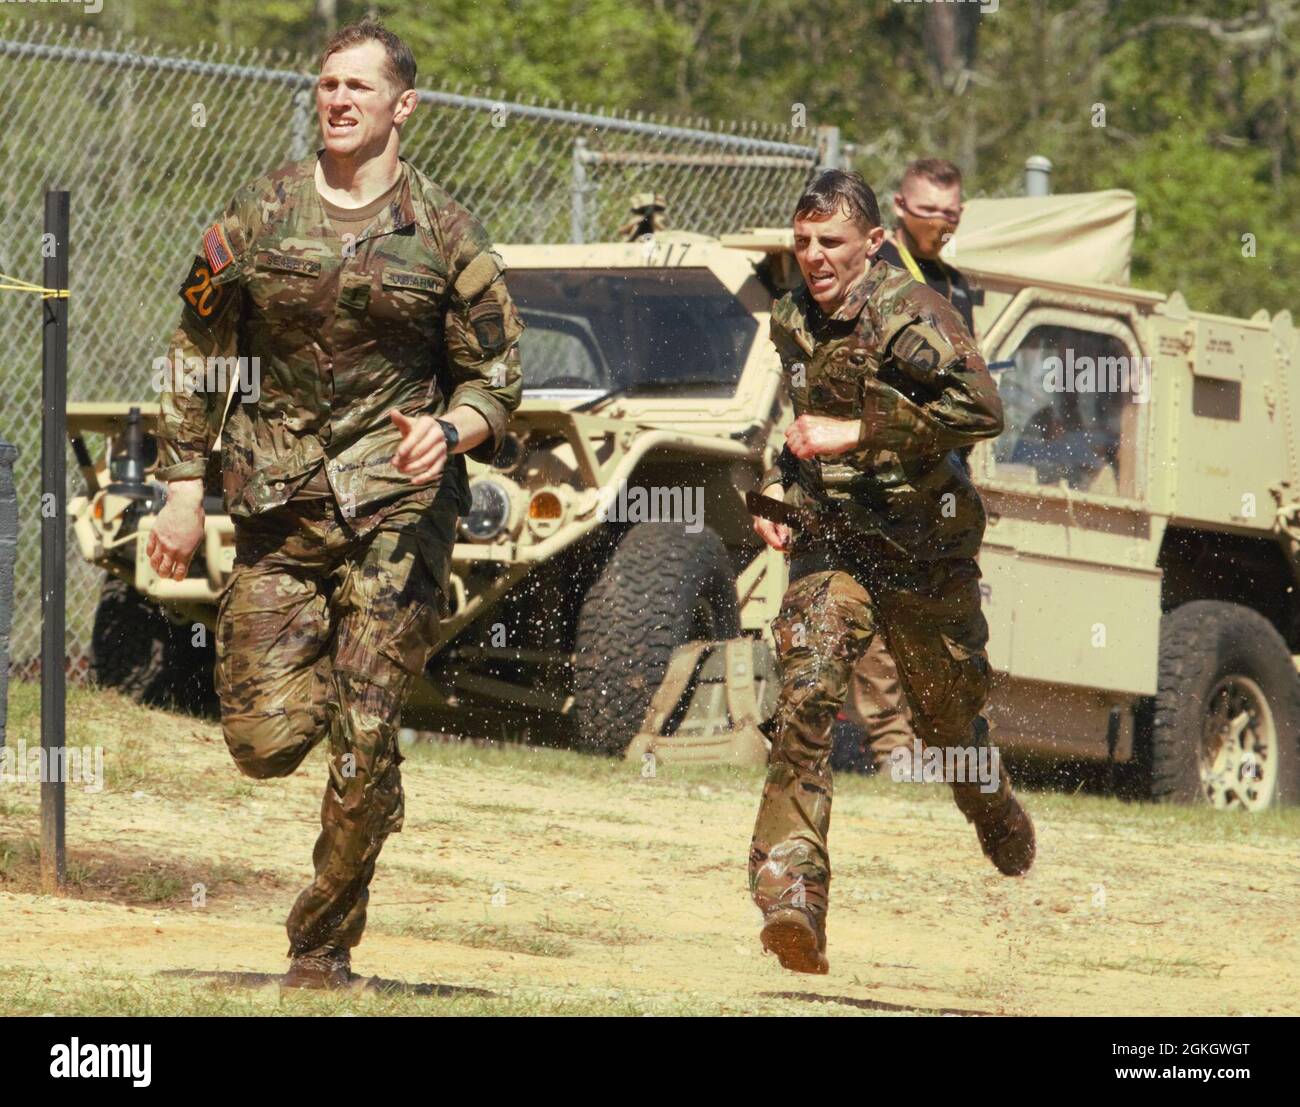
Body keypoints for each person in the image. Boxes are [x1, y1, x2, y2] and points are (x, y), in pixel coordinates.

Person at [145, 20, 523, 988]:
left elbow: (498, 376)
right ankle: (372, 776)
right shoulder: (255, 215)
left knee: (360, 735)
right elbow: (195, 348)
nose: (339, 100)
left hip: (399, 504)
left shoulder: (445, 230)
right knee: (264, 745)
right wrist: (183, 492)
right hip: (278, 502)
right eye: (326, 85)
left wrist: (455, 428)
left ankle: (321, 942)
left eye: (359, 86)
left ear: (404, 106)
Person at [749, 169, 1034, 975]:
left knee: (946, 724)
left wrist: (856, 433)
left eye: (830, 242)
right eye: (802, 242)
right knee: (806, 689)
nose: (812, 257)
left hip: (923, 549)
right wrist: (780, 489)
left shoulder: (910, 314)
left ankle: (990, 800)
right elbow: (799, 415)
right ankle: (790, 892)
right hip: (833, 540)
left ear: (873, 243)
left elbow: (983, 409)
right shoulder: (792, 314)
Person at [841, 158, 981, 773]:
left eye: (950, 214)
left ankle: (949, 747)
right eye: (928, 212)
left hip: (941, 473)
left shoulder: (957, 285)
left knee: (942, 611)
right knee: (872, 609)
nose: (940, 224)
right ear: (901, 208)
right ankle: (892, 747)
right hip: (878, 468)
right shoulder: (875, 274)